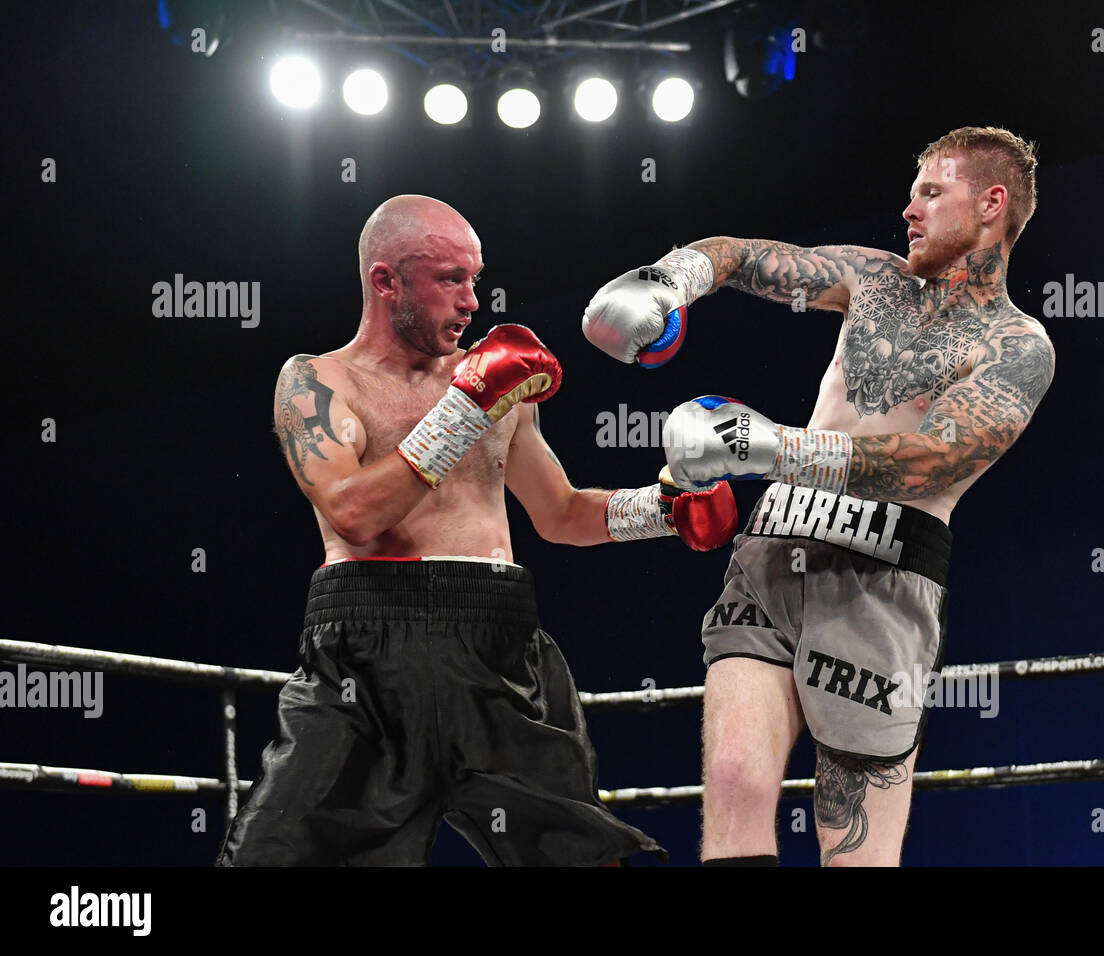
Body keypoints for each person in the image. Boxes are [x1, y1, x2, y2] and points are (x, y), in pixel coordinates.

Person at [581, 127, 1056, 866]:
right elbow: (741, 254)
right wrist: (672, 278)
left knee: (853, 849)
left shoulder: (1016, 345)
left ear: (993, 204)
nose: (909, 209)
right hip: (774, 549)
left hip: (881, 577)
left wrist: (771, 446)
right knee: (735, 783)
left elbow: (935, 460)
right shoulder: (872, 279)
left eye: (932, 192)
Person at [217, 194, 736, 866]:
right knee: (273, 859)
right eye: (450, 280)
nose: (471, 301)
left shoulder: (494, 388)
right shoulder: (318, 381)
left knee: (584, 858)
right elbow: (352, 514)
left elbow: (561, 514)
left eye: (476, 280)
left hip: (499, 645)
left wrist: (664, 510)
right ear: (386, 281)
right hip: (365, 658)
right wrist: (468, 406)